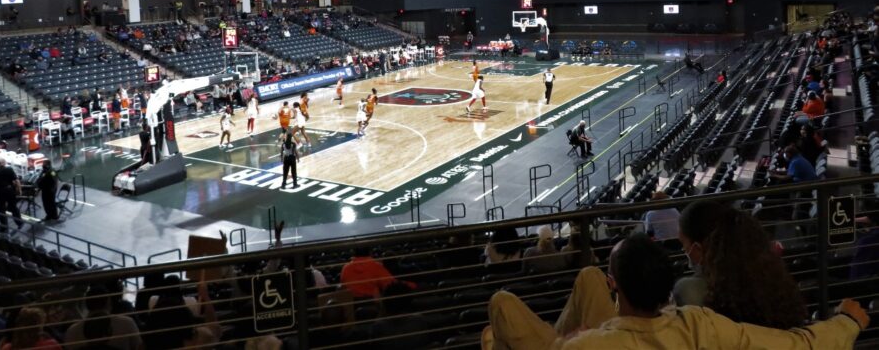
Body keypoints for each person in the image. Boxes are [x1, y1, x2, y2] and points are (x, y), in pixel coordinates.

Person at [483, 233, 868, 350]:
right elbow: (794, 345)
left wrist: (570, 341)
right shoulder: (700, 325)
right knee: (586, 275)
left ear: (616, 286)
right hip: (636, 329)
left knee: (501, 306)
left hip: (582, 342)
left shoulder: (588, 347)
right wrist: (846, 322)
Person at [64, 285, 142, 350]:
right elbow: (138, 346)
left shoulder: (72, 331)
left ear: (87, 305)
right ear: (109, 302)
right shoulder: (127, 323)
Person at [340, 247, 415, 299]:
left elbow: (343, 287)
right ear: (370, 253)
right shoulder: (375, 266)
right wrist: (412, 285)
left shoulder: (346, 268)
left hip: (353, 306)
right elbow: (390, 284)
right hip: (373, 304)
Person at [0, 156, 22, 233]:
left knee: (1, 210)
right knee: (13, 207)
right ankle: (19, 223)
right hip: (9, 191)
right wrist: (19, 190)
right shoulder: (9, 170)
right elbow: (17, 181)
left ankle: (4, 227)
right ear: (3, 163)